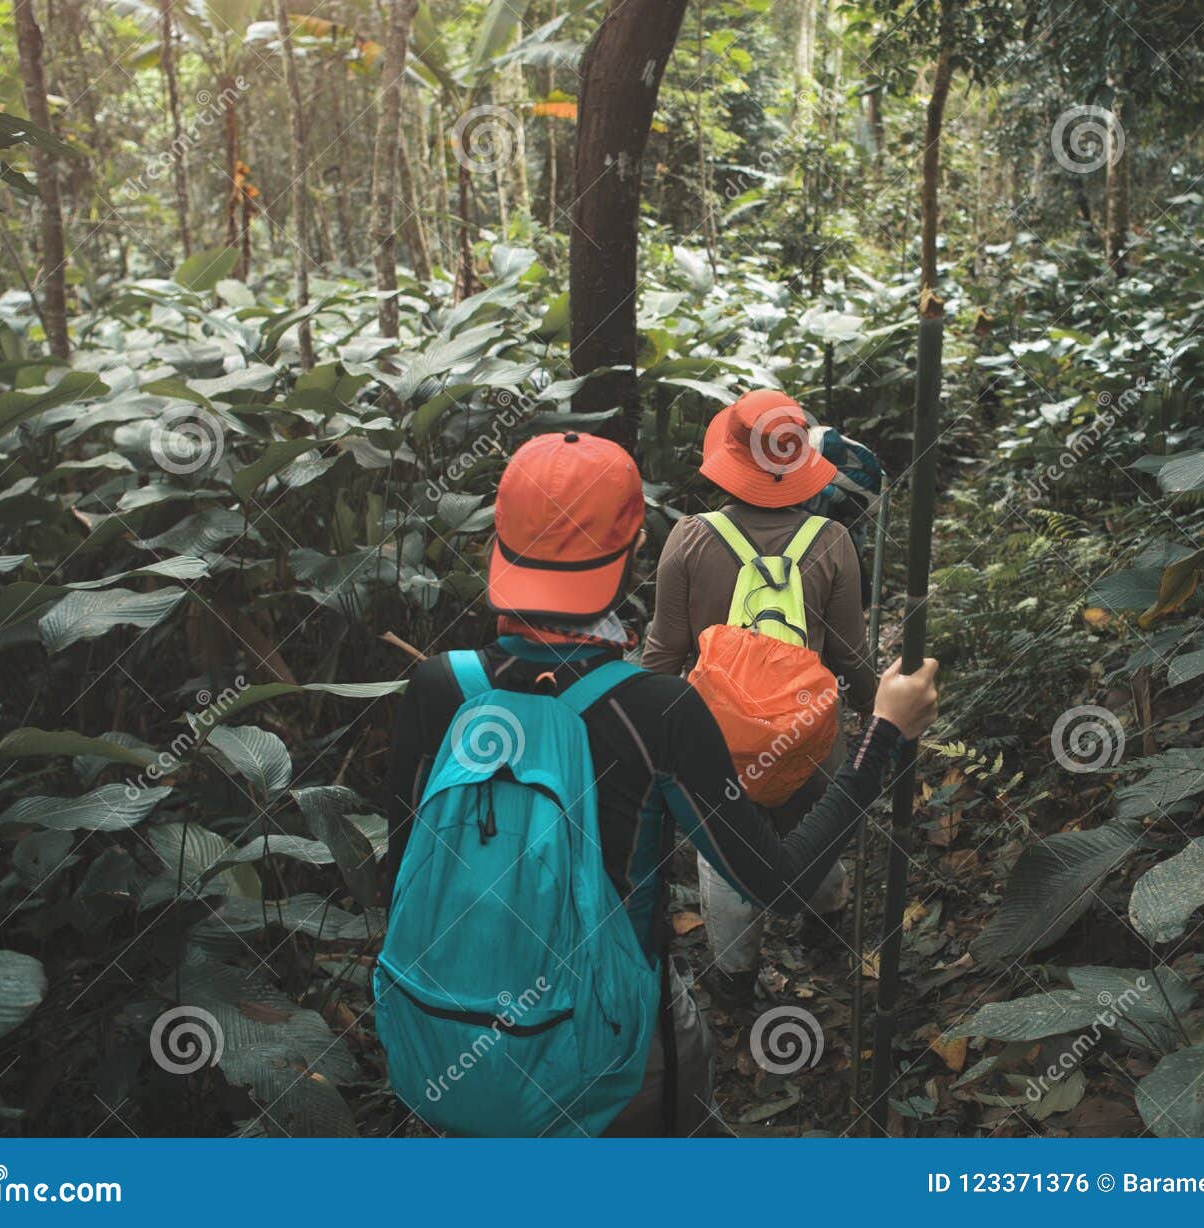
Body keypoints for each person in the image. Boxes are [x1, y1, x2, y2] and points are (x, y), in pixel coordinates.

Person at [382, 430, 939, 1135]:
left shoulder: (437, 687)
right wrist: (883, 733)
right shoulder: (658, 712)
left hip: (437, 1034)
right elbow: (782, 884)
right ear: (634, 555)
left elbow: (401, 875)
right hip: (609, 1051)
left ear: (497, 545)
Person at [642, 390, 880, 1008]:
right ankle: (824, 930)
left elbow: (664, 654)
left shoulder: (689, 540)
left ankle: (735, 978)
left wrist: (644, 737)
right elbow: (850, 656)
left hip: (714, 738)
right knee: (817, 824)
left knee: (725, 853)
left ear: (730, 457)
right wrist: (882, 715)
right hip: (809, 732)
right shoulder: (832, 540)